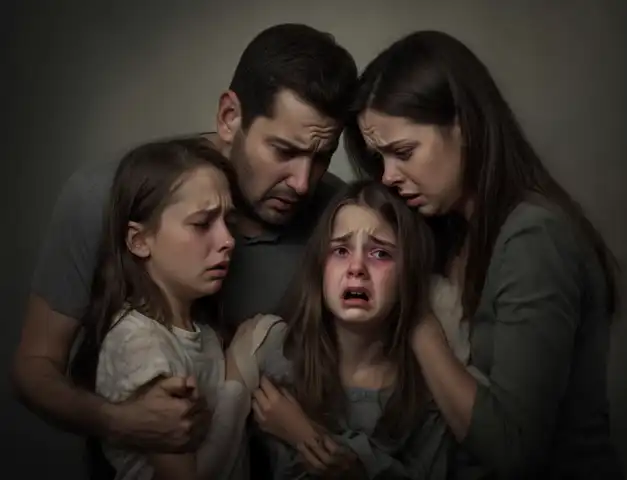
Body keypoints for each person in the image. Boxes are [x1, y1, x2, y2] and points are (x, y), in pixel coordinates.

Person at [11, 22, 356, 459]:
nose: (303, 182)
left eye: (322, 157)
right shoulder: (107, 196)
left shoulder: (344, 219)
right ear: (230, 117)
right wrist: (119, 422)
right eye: (284, 151)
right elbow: (34, 367)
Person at [343, 30, 624, 479]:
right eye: (379, 158)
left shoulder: (535, 237)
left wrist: (416, 316)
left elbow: (514, 451)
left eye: (404, 152)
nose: (388, 176)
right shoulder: (453, 232)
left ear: (465, 127)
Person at [227, 180, 466, 480]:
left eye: (380, 254)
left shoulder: (427, 390)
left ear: (408, 275)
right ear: (319, 268)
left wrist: (309, 439)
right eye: (340, 250)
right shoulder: (274, 354)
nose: (356, 268)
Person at [70, 137, 249, 479]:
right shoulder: (138, 343)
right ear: (139, 241)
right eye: (202, 223)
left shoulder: (203, 332)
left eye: (229, 222)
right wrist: (242, 373)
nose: (228, 240)